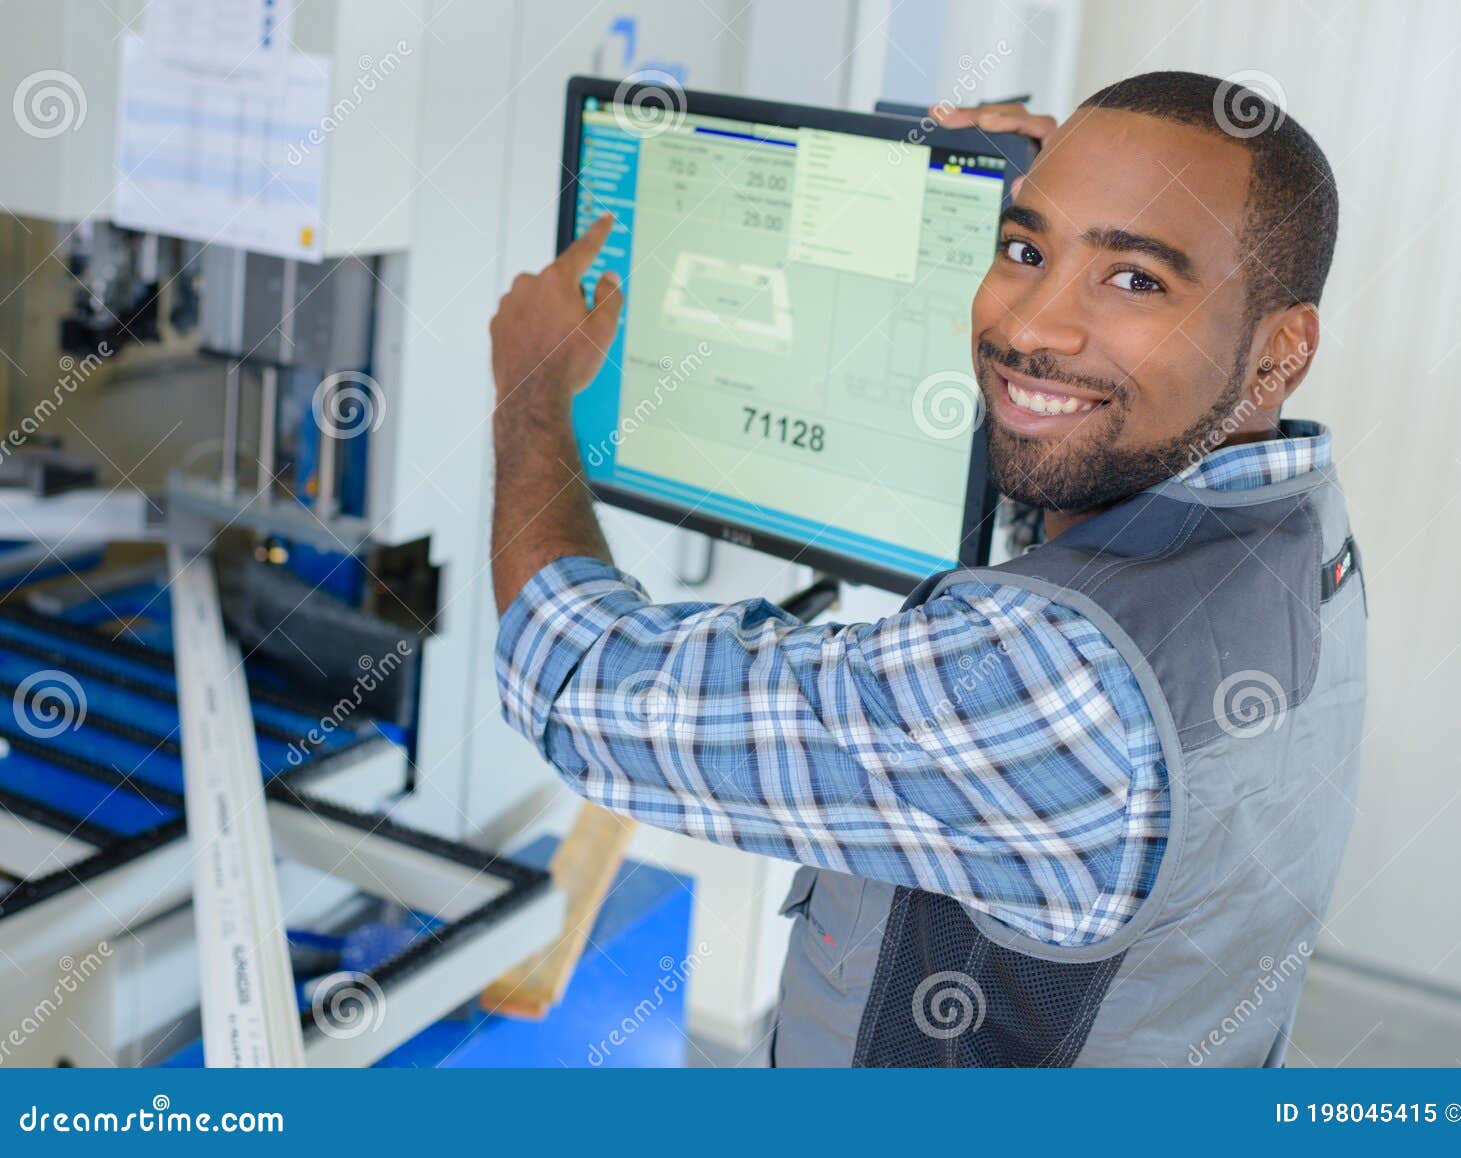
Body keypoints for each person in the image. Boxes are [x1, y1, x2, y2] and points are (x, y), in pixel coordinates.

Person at [488, 71, 1366, 1067]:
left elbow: (575, 685)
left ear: (1277, 354)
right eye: (1025, 248)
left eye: (1134, 280)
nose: (1033, 326)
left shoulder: (1059, 685)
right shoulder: (1290, 518)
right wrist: (1087, 202)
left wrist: (530, 395)